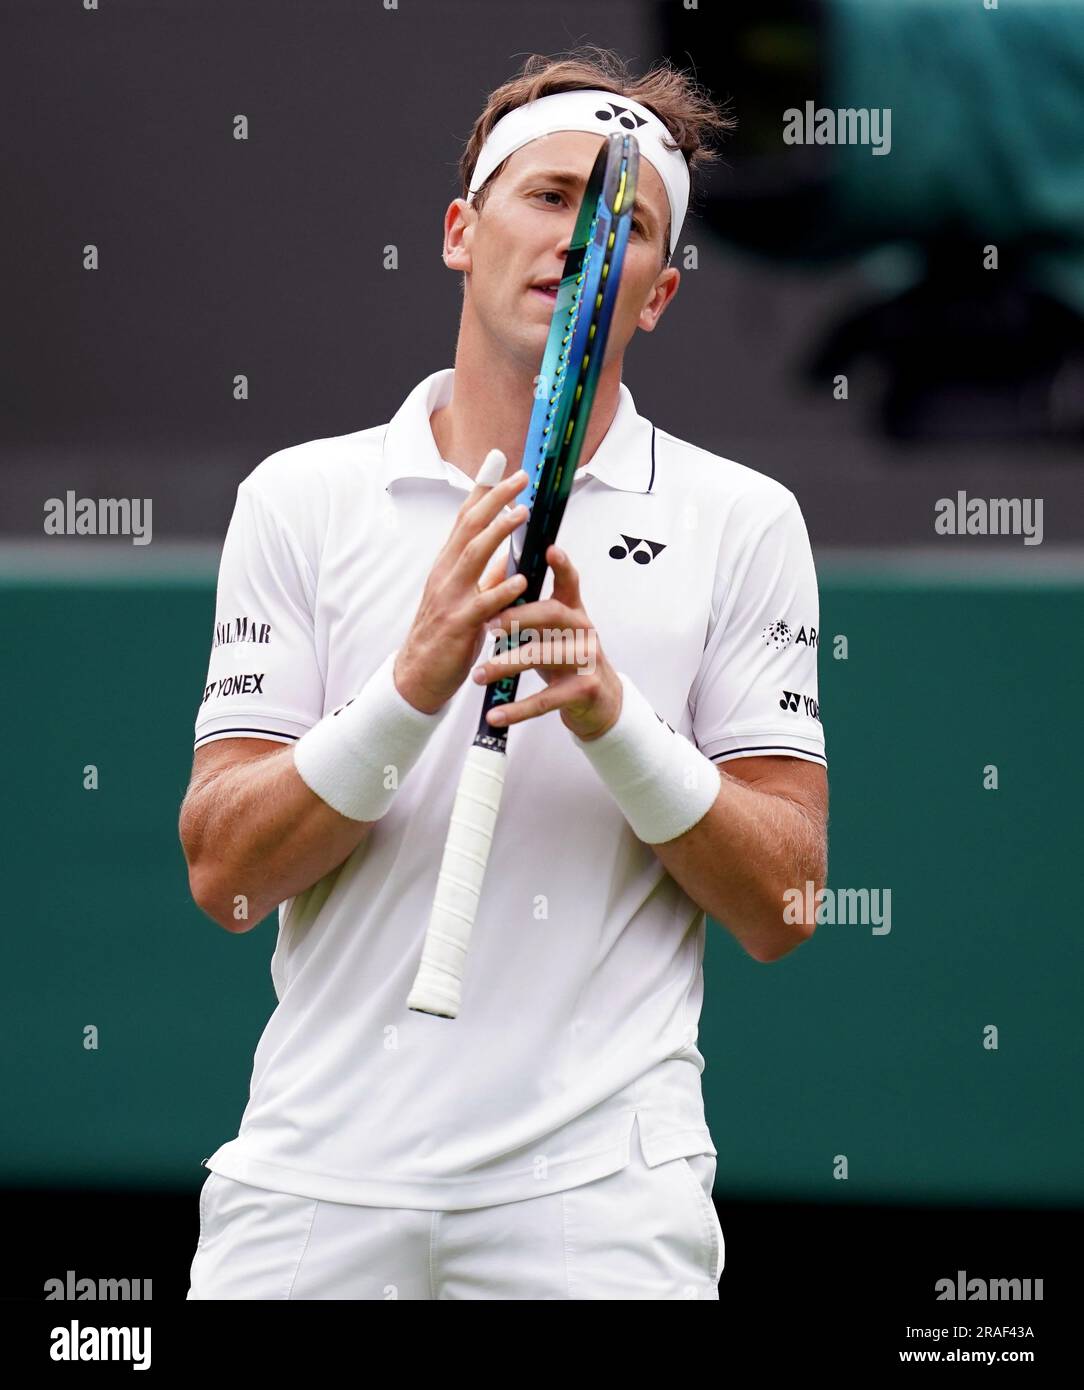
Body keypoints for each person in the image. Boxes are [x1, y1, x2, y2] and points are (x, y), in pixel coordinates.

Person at [180, 47, 827, 1301]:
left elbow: (787, 907)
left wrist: (612, 716)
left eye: (625, 222)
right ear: (458, 233)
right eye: (548, 197)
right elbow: (225, 874)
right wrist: (413, 681)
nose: (582, 240)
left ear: (658, 295)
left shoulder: (743, 521)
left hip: (600, 1211)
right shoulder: (299, 499)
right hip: (310, 1196)